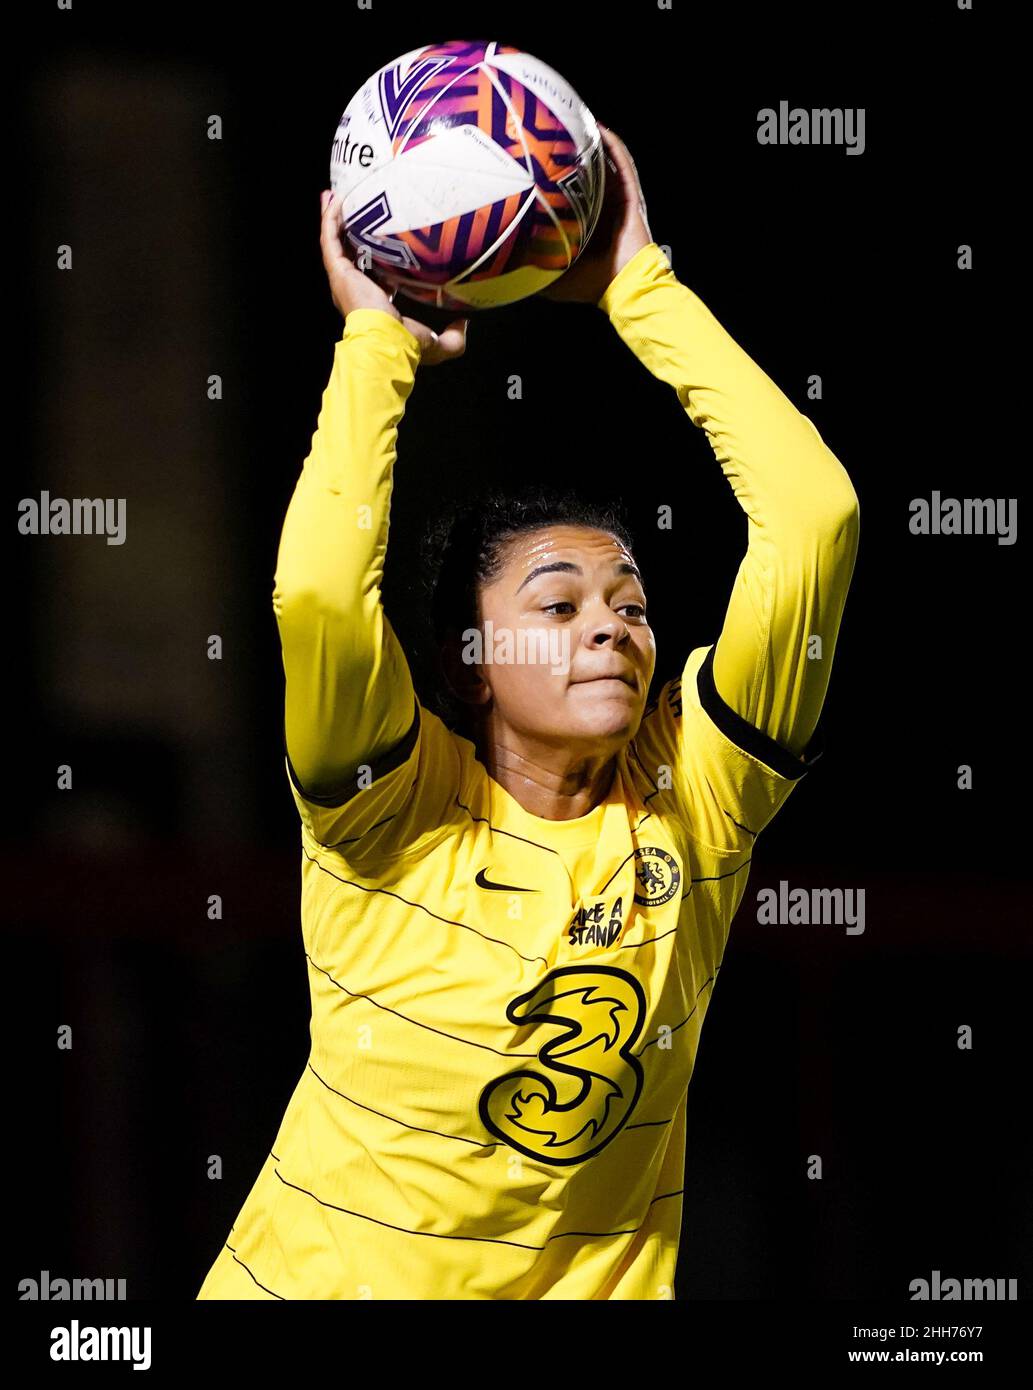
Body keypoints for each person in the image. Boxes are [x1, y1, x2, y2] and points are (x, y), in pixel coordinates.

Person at [196, 126, 859, 1300]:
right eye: (556, 604)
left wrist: (638, 289)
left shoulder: (694, 800)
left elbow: (814, 518)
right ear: (466, 662)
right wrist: (374, 347)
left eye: (631, 604)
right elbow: (314, 589)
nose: (609, 624)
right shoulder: (388, 814)